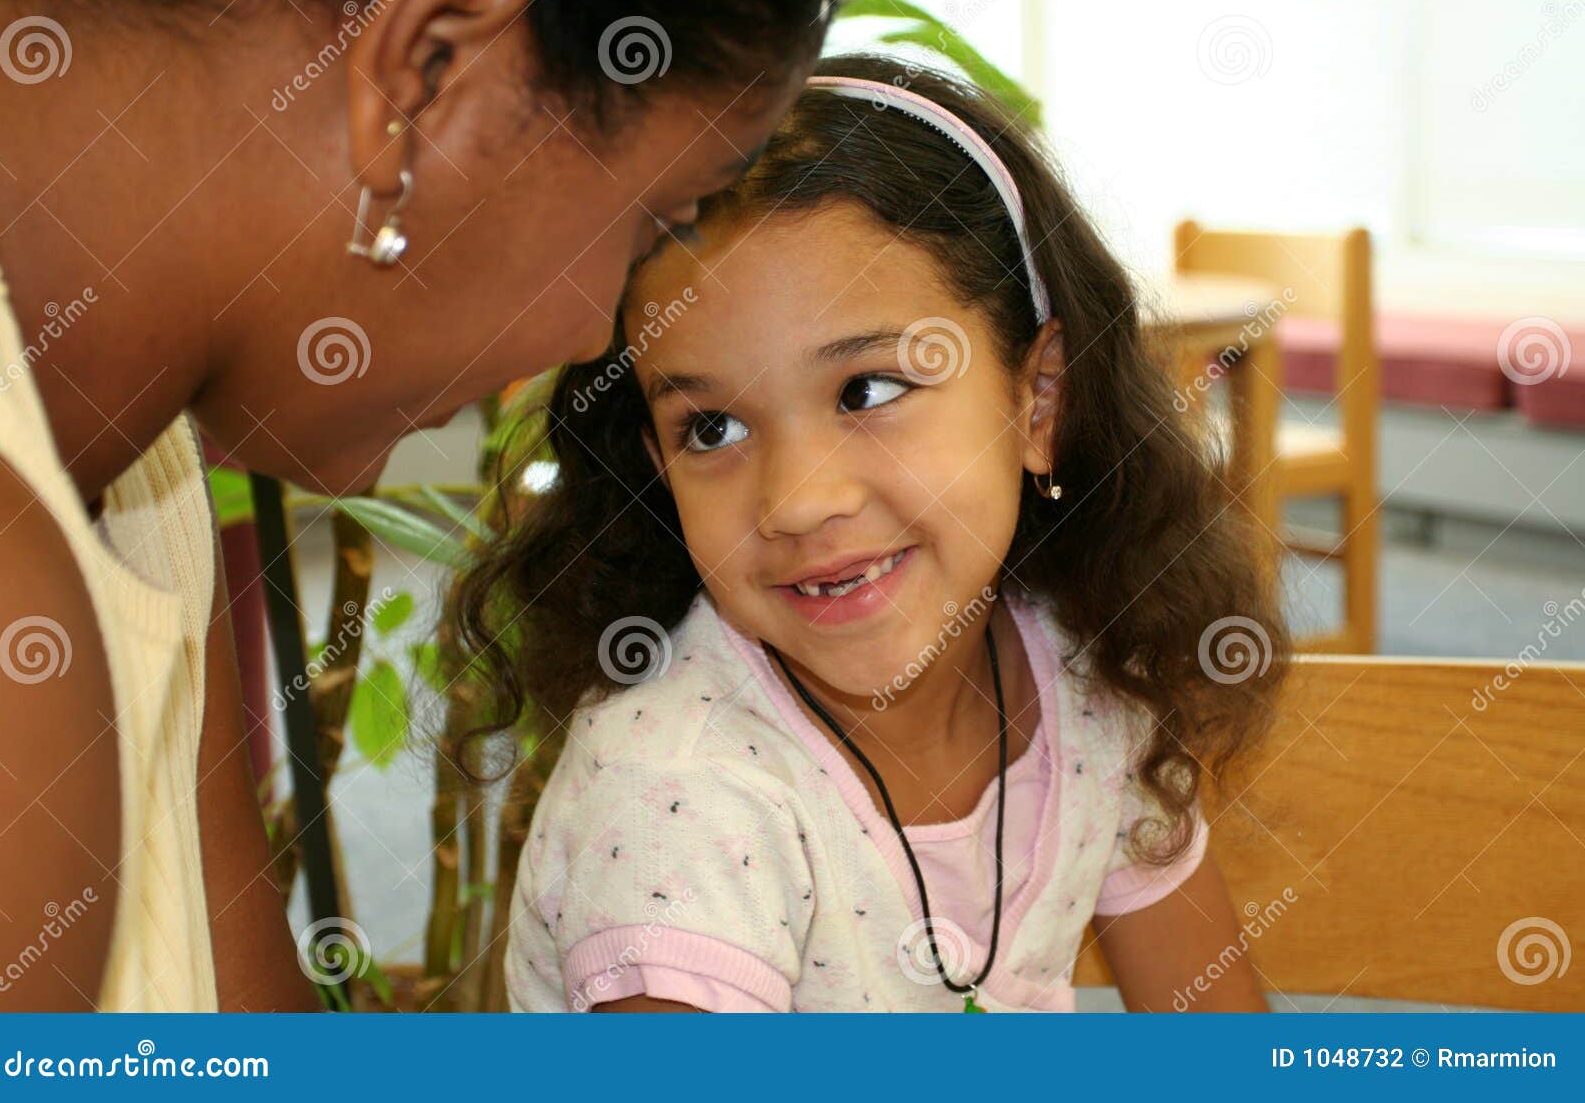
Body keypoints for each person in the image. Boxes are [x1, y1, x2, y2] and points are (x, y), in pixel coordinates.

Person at [0, 0, 867, 1011]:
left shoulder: (142, 483)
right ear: (431, 60)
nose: (592, 332)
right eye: (655, 221)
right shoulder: (10, 584)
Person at [451, 53, 1292, 1012]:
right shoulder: (680, 799)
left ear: (1038, 398)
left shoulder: (1091, 681)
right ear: (655, 461)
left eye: (868, 390)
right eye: (711, 429)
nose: (798, 503)